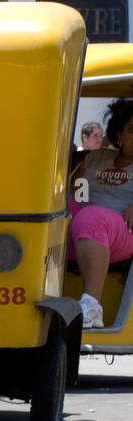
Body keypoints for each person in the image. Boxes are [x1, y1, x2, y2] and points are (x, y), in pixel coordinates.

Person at [70, 99, 133, 328]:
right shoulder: (95, 158)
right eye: (132, 130)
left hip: (124, 231)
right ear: (119, 134)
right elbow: (78, 194)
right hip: (84, 226)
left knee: (91, 218)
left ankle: (92, 306)